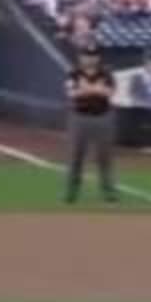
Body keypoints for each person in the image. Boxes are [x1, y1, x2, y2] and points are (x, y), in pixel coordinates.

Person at [62, 48, 118, 204]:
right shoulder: (74, 73)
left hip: (103, 117)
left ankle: (109, 192)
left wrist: (86, 88)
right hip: (80, 117)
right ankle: (71, 192)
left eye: (93, 56)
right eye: (87, 56)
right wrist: (96, 89)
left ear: (98, 58)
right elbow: (72, 94)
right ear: (81, 58)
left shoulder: (106, 74)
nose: (90, 59)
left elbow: (109, 93)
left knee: (104, 157)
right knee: (76, 156)